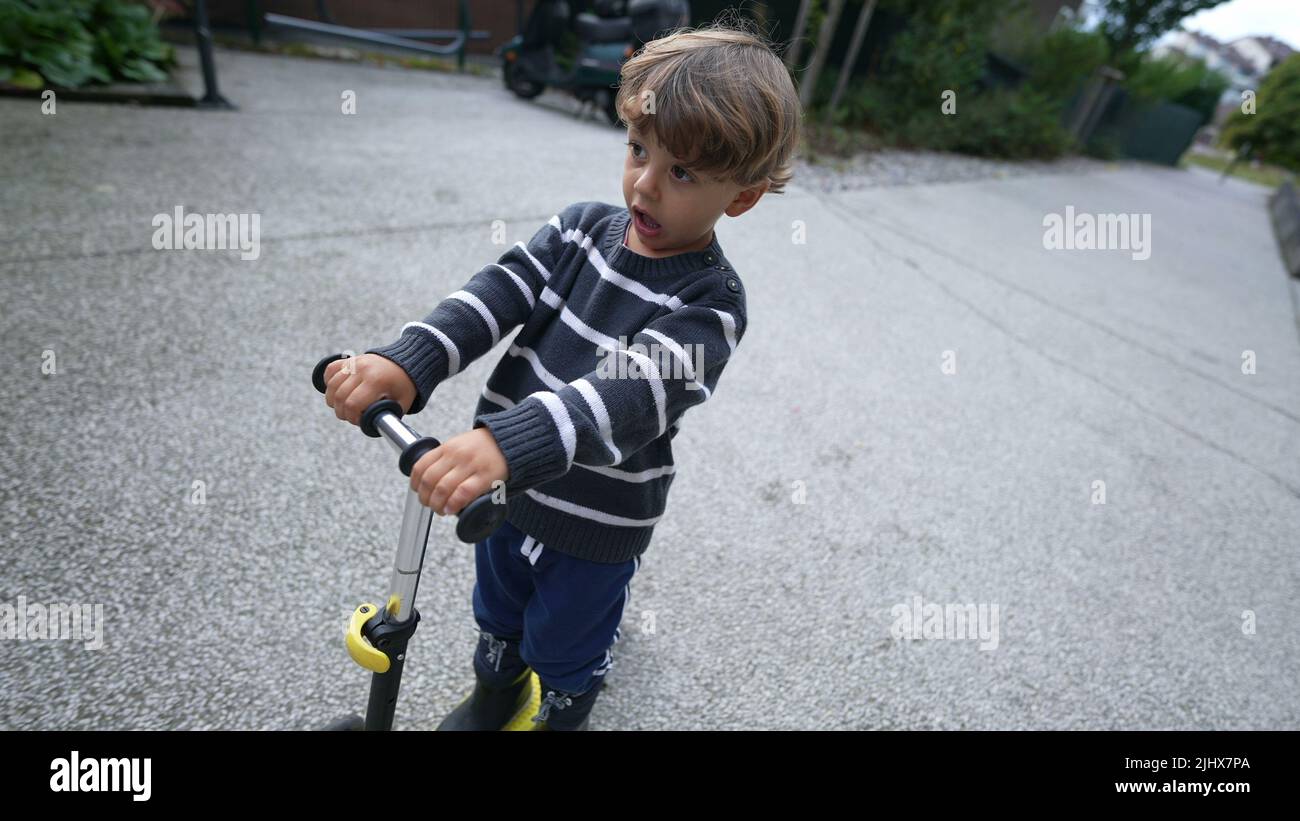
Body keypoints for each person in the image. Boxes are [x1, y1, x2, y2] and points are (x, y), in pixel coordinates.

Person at [320, 16, 801, 730]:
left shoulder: (710, 307)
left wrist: (506, 444)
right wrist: (407, 360)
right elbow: (495, 293)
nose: (645, 183)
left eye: (683, 172)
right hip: (506, 495)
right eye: (639, 148)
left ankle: (562, 712)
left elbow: (628, 394)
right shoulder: (580, 230)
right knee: (499, 613)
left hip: (596, 522)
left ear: (742, 196)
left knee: (568, 645)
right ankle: (497, 695)